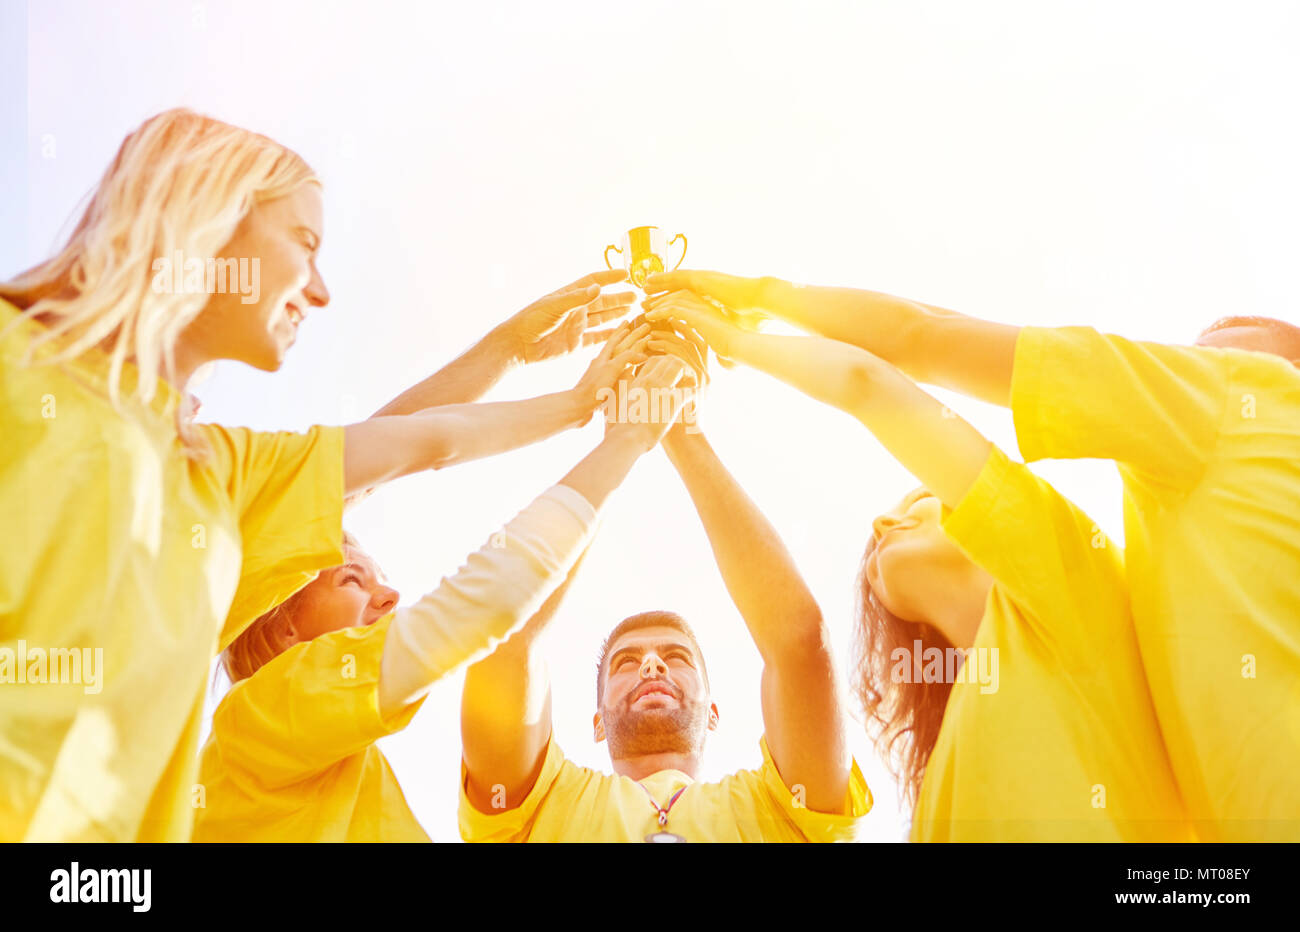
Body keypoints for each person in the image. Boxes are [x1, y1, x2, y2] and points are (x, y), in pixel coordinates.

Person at [0, 107, 631, 841]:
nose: (322, 291)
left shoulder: (215, 469)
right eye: (304, 242)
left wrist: (551, 378)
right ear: (210, 220)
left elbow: (420, 441)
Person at [646, 270, 1300, 840]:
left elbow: (899, 355)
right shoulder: (967, 751)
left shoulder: (1082, 564)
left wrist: (736, 317)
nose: (1175, 363)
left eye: (1213, 351)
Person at [193, 353, 686, 841]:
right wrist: (624, 442)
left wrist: (527, 353)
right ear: (284, 628)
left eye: (377, 578)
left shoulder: (333, 764)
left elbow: (390, 449)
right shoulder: (265, 714)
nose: (389, 595)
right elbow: (477, 609)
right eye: (351, 581)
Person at [458, 340, 871, 842]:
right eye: (626, 663)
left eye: (676, 657)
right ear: (596, 723)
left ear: (714, 712)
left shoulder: (781, 809)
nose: (652, 665)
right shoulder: (536, 809)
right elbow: (505, 639)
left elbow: (802, 644)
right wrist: (624, 442)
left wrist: (681, 429)